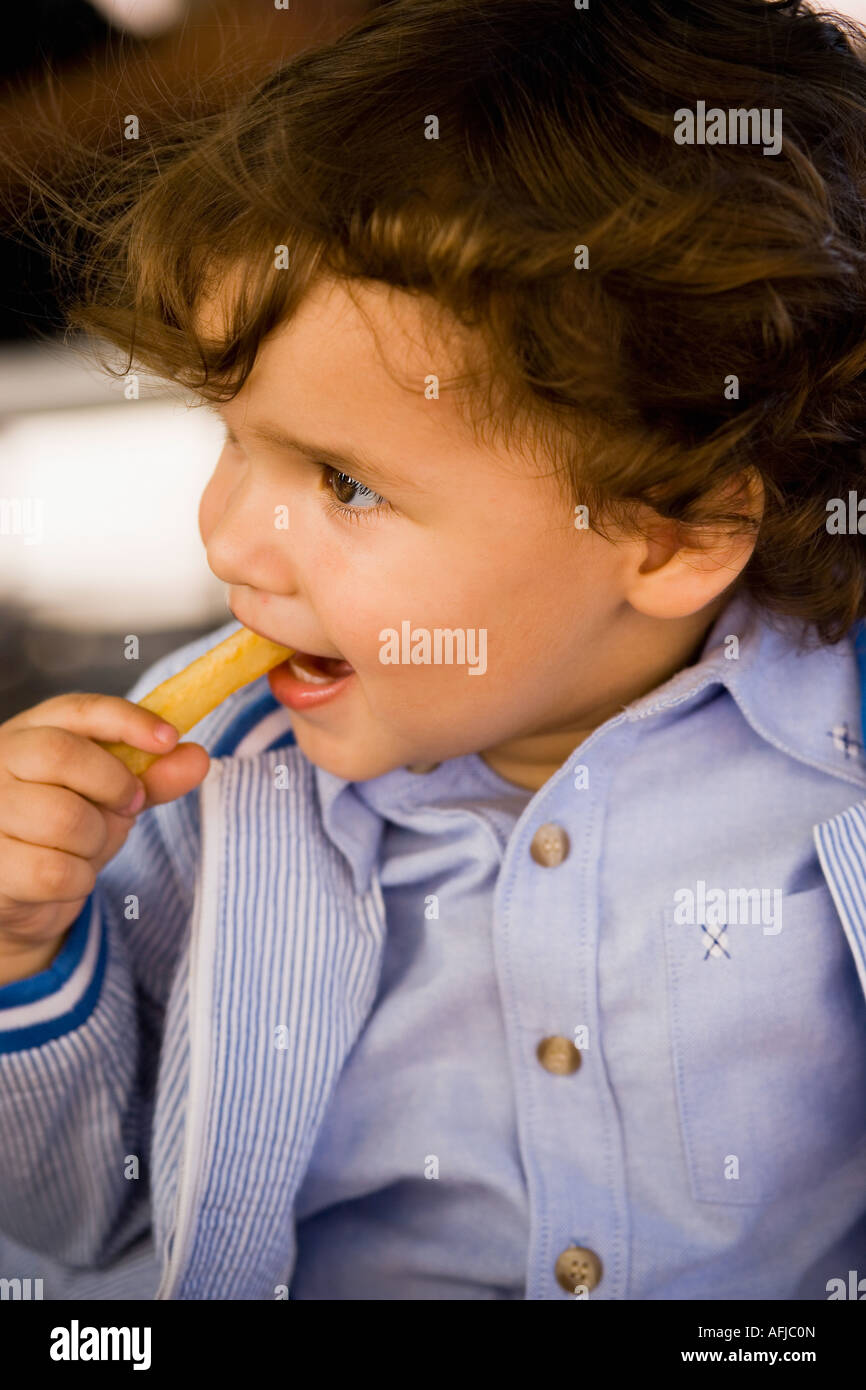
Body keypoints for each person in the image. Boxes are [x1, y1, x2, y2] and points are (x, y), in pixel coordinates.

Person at [0, 0, 865, 1301]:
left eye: (343, 482)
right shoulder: (193, 797)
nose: (229, 537)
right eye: (231, 439)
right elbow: (81, 1224)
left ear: (675, 528)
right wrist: (22, 948)